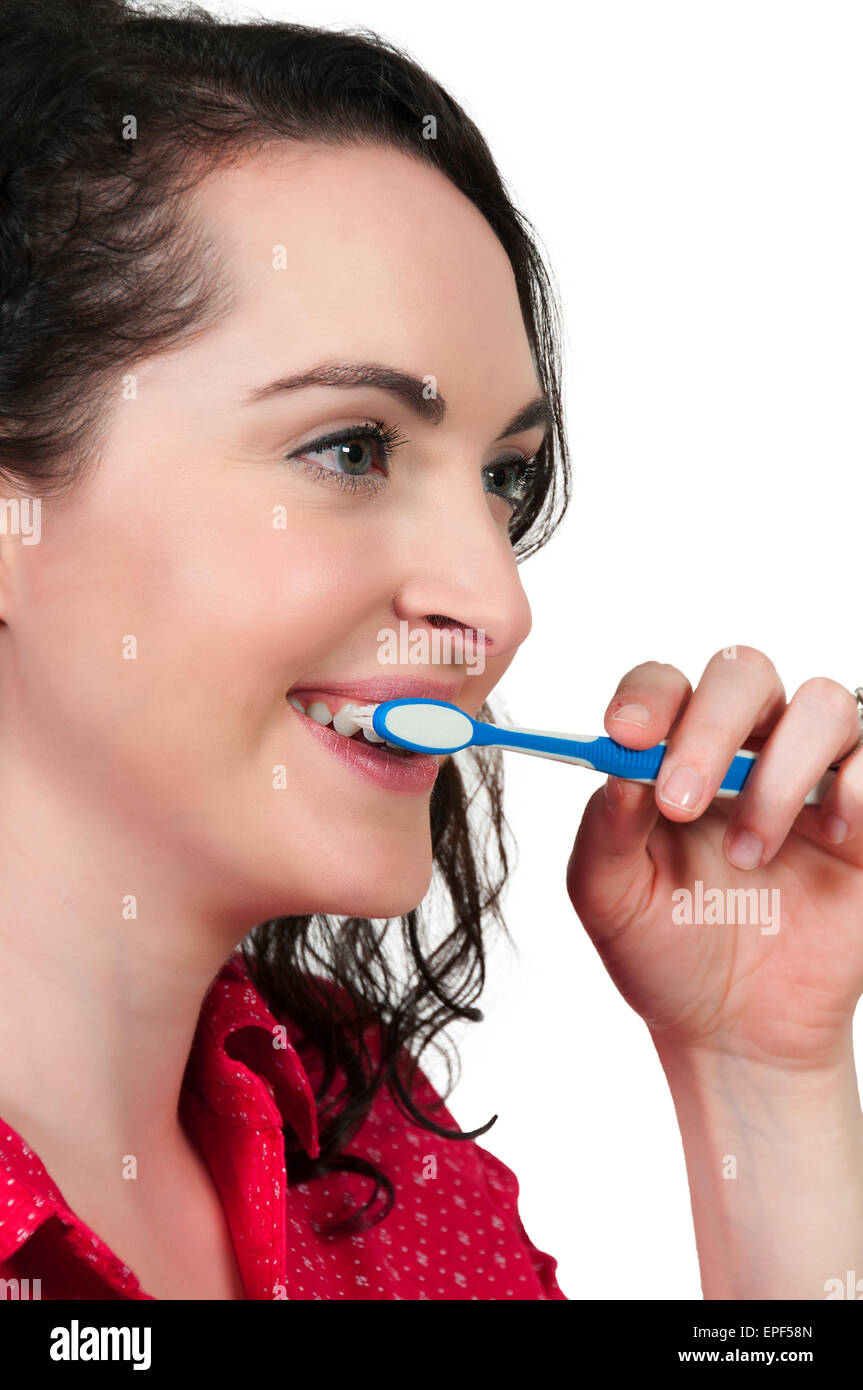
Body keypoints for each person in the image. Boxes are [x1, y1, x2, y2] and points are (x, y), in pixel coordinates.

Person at [0, 0, 860, 1303]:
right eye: (349, 450)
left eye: (504, 480)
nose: (498, 606)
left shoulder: (390, 1186)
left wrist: (761, 1077)